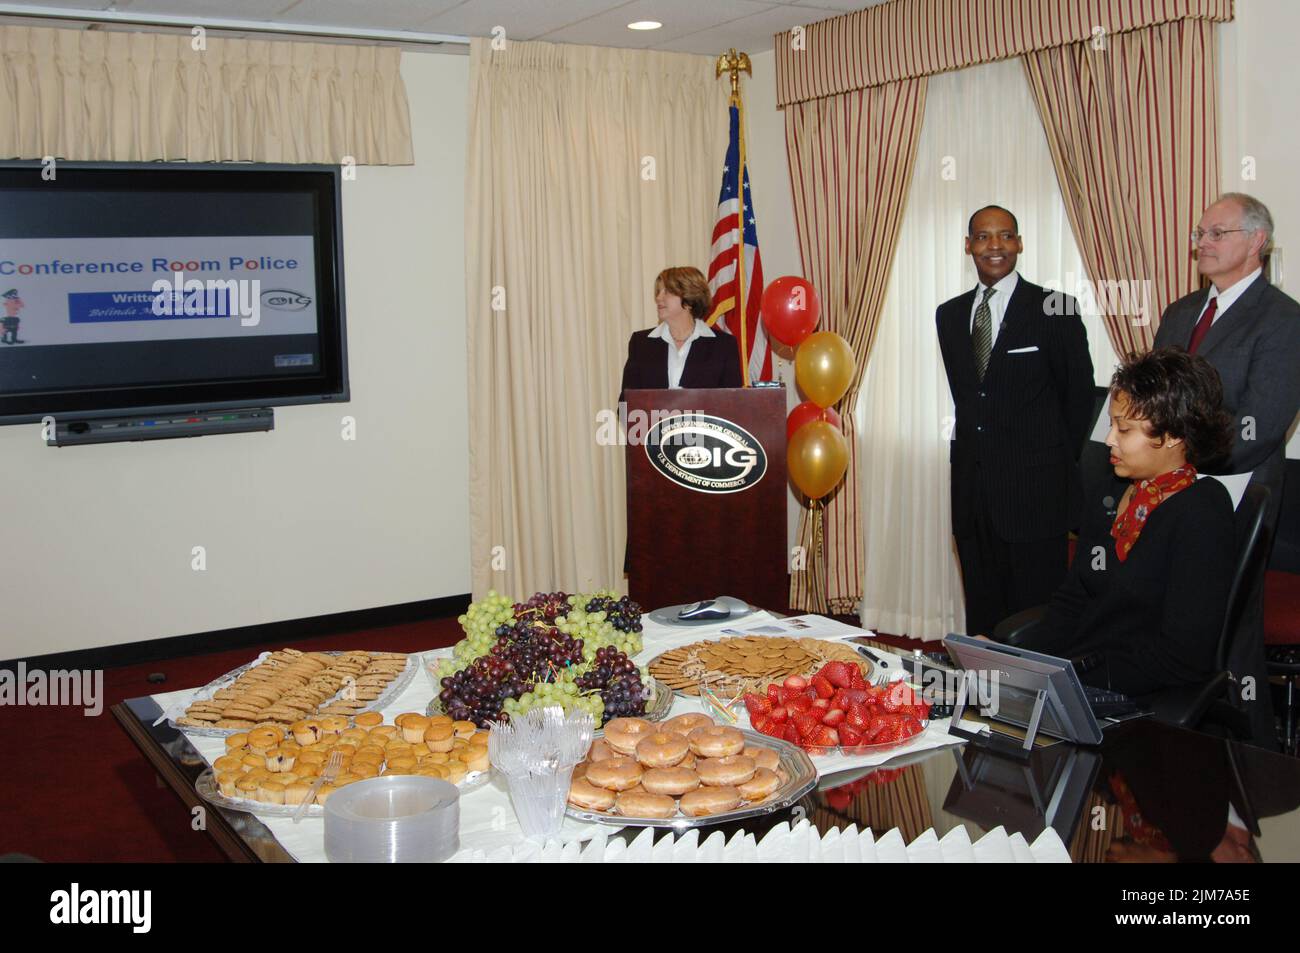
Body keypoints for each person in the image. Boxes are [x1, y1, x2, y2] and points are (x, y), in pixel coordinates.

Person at [1153, 192, 1300, 747]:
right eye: (1200, 234)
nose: (1203, 244)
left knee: (1230, 636)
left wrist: (1179, 463)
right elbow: (1154, 398)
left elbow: (1260, 424)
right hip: (1168, 493)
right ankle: (1170, 752)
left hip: (1235, 495)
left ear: (1256, 242)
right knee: (1170, 625)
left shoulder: (1284, 320)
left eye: (1218, 234)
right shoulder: (1180, 312)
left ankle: (1245, 767)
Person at [1017, 348, 1235, 696]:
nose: (1109, 440)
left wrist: (1069, 680)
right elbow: (1073, 600)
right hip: (1079, 678)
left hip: (1137, 697)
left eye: (1124, 429)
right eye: (1112, 425)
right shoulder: (1111, 492)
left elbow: (1182, 658)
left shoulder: (1202, 512)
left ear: (1174, 434)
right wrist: (1016, 662)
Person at [936, 206, 1095, 637]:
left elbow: (1079, 399)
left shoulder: (1055, 308)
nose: (995, 246)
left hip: (1036, 496)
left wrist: (1051, 464)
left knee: (1036, 619)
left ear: (1020, 244)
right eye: (984, 237)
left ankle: (1039, 705)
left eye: (1005, 236)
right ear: (968, 246)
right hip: (973, 494)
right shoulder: (948, 315)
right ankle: (986, 700)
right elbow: (970, 399)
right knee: (983, 617)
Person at [618, 266, 742, 405]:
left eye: (667, 292)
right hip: (653, 426)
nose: (658, 298)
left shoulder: (723, 345)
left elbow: (733, 405)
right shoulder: (641, 343)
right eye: (658, 292)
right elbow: (625, 404)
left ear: (690, 299)